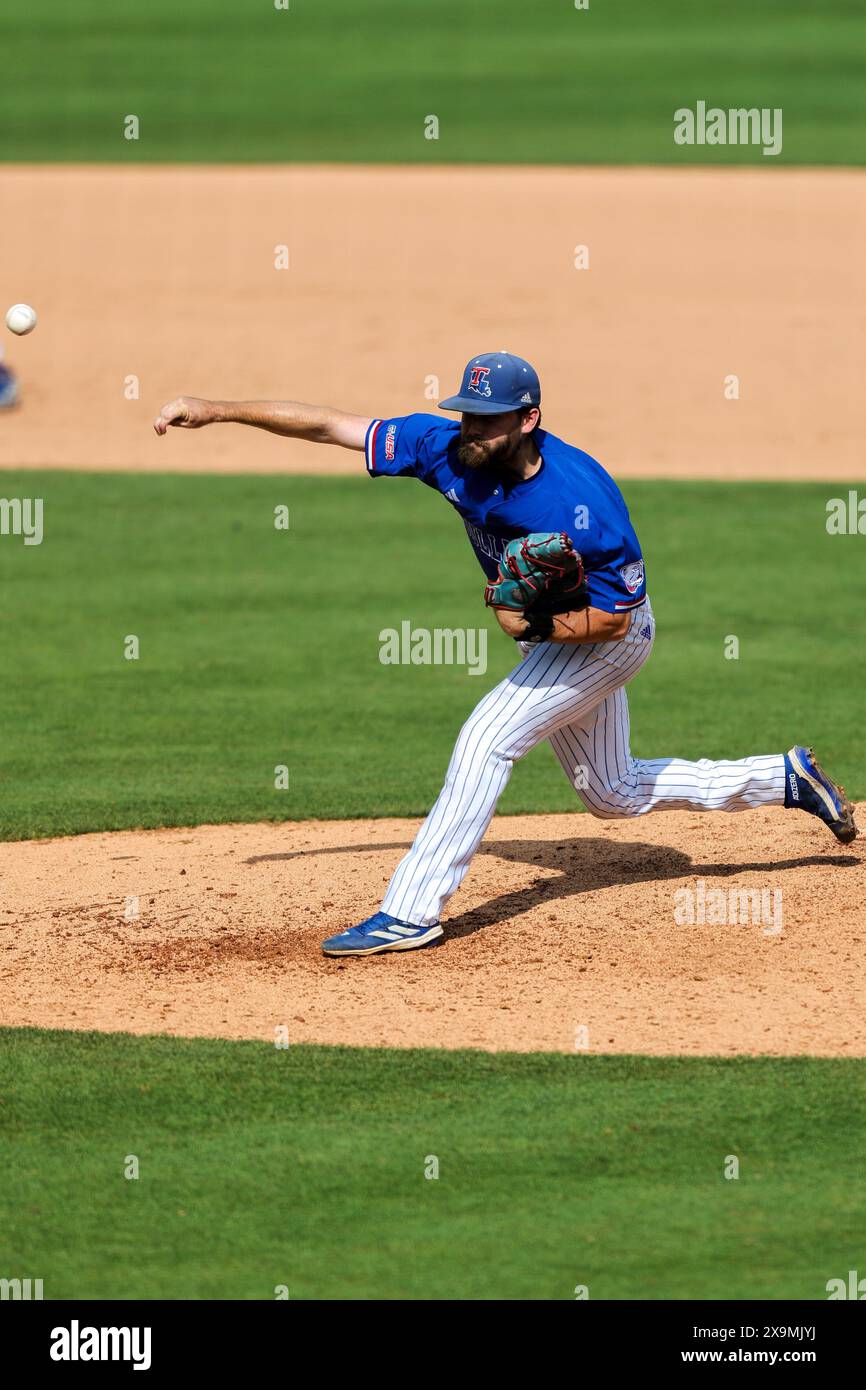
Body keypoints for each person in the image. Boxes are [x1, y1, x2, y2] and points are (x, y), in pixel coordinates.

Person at [154, 351, 857, 957]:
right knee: (610, 795)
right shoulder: (444, 450)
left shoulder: (581, 504)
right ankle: (784, 778)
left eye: (487, 419)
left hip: (608, 638)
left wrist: (531, 628)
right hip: (564, 629)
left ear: (527, 419)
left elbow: (616, 619)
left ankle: (410, 912)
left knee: (487, 737)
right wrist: (214, 410)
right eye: (465, 414)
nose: (471, 430)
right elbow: (335, 425)